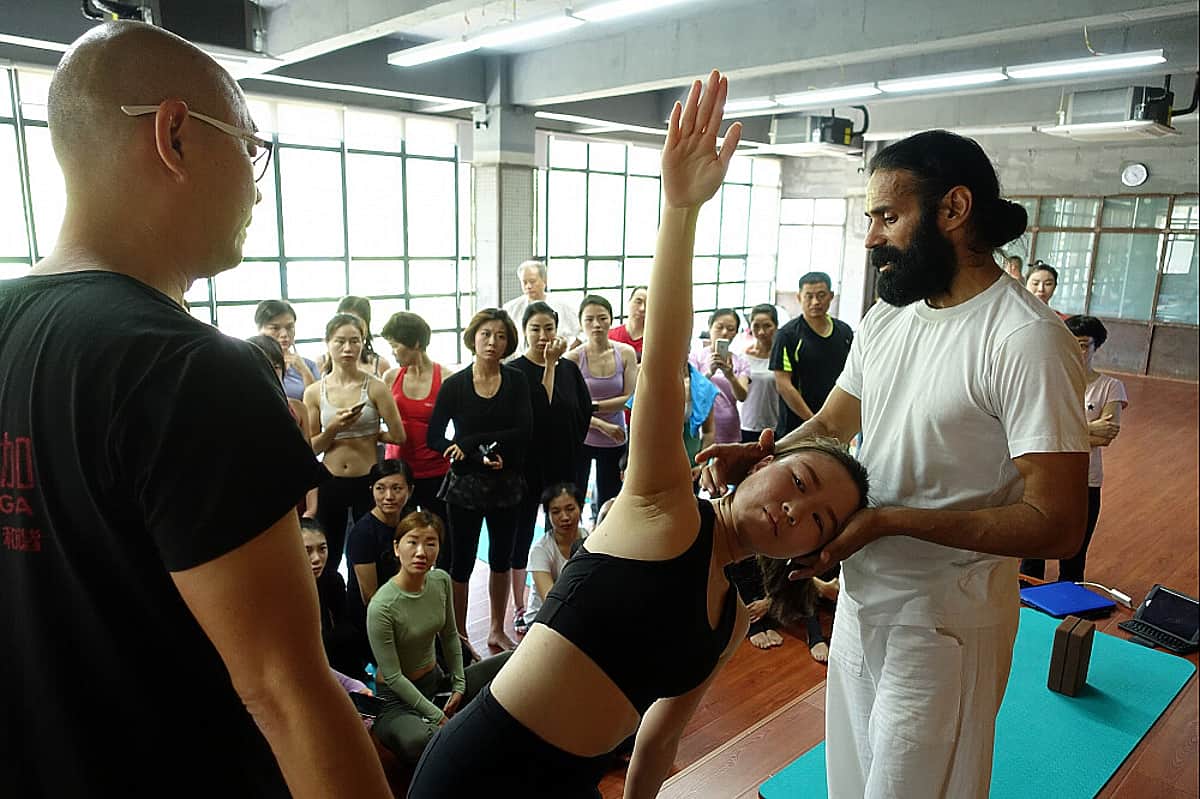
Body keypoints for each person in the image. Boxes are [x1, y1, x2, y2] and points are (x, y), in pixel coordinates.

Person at [408, 70, 869, 799]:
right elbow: (660, 371)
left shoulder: (729, 621)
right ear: (763, 463)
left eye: (819, 520)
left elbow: (658, 739)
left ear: (811, 550)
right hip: (482, 772)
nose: (795, 510)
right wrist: (680, 211)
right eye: (801, 482)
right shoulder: (662, 505)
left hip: (572, 783)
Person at [0, 21, 389, 798]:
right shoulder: (191, 369)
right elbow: (283, 693)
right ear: (174, 135)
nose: (257, 185)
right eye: (250, 148)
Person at [700, 129, 1090, 799]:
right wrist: (765, 455)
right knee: (850, 787)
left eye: (887, 216)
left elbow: (1058, 524)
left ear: (954, 208)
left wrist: (889, 521)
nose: (870, 238)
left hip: (946, 624)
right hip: (861, 600)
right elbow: (832, 424)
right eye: (869, 217)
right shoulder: (887, 318)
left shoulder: (1025, 339)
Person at [367, 511, 511, 764]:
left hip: (437, 684)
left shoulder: (440, 580)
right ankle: (457, 731)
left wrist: (458, 684)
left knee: (511, 661)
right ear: (397, 548)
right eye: (412, 542)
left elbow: (450, 636)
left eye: (430, 543)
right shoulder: (381, 606)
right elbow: (392, 676)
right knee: (419, 742)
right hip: (397, 703)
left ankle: (461, 729)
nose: (421, 552)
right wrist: (435, 714)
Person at [427, 308, 532, 652]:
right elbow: (434, 436)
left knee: (501, 558)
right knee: (462, 562)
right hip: (466, 484)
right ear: (473, 337)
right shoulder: (455, 385)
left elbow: (524, 430)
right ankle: (460, 636)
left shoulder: (516, 380)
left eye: (500, 336)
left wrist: (477, 443)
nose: (492, 342)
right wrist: (470, 454)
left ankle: (497, 629)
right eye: (486, 334)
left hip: (506, 480)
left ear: (508, 343)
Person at [1021, 315, 1127, 583]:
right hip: (1044, 476)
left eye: (1083, 345)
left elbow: (1106, 435)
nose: (1077, 351)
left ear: (1095, 346)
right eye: (1070, 343)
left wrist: (1057, 433)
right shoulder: (1047, 383)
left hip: (1086, 479)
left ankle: (1069, 604)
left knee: (1075, 554)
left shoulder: (1110, 387)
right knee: (1033, 550)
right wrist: (1088, 429)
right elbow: (1035, 430)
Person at [508, 302, 593, 632]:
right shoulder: (515, 372)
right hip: (527, 467)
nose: (543, 335)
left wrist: (573, 447)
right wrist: (550, 364)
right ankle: (520, 605)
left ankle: (566, 596)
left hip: (564, 462)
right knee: (521, 535)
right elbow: (540, 410)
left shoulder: (569, 368)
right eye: (535, 329)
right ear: (524, 332)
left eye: (549, 328)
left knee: (564, 527)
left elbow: (583, 410)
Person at [304, 313, 406, 578]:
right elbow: (312, 447)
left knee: (368, 553)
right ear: (328, 343)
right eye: (340, 342)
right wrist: (335, 428)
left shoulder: (375, 387)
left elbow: (398, 435)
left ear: (363, 343)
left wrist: (371, 433)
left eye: (354, 341)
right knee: (329, 553)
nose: (348, 348)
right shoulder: (315, 391)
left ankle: (366, 601)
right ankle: (331, 601)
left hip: (367, 479)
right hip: (331, 479)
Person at [380, 311, 451, 563]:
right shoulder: (391, 377)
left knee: (441, 539)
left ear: (416, 343)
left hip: (435, 470)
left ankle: (440, 584)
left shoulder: (446, 378)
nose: (392, 353)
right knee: (402, 540)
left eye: (396, 346)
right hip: (400, 471)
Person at [566, 295, 639, 512]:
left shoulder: (625, 353)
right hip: (582, 435)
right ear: (581, 323)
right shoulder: (572, 358)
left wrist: (591, 407)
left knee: (610, 501)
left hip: (615, 436)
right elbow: (571, 407)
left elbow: (629, 398)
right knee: (574, 498)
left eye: (602, 318)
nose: (596, 324)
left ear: (611, 320)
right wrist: (601, 424)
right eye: (589, 319)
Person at [770, 272, 854, 436]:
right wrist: (815, 423)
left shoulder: (844, 332)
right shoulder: (787, 335)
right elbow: (784, 385)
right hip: (797, 428)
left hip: (836, 425)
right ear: (799, 297)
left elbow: (851, 376)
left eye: (821, 295)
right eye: (809, 296)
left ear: (831, 296)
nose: (815, 302)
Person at [247, 333, 320, 515]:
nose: (269, 372)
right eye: (261, 365)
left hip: (295, 496)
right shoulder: (239, 412)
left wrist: (311, 508)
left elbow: (308, 461)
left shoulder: (298, 409)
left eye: (276, 366)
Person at [346, 459, 414, 637]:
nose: (388, 496)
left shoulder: (411, 522)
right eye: (380, 488)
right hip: (375, 618)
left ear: (410, 490)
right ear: (372, 490)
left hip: (406, 603)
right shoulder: (363, 534)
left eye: (397, 489)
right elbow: (371, 598)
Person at [304, 517, 369, 681]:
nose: (316, 558)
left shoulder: (333, 580)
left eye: (322, 549)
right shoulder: (284, 590)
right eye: (307, 551)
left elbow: (347, 629)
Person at [520, 483, 589, 633]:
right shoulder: (540, 550)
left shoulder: (589, 538)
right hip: (543, 619)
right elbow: (551, 601)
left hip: (578, 613)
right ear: (548, 515)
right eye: (556, 512)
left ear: (581, 508)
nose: (565, 517)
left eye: (570, 509)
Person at [689, 308, 750, 444]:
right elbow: (691, 390)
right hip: (702, 425)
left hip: (729, 427)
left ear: (736, 333)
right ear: (710, 327)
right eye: (719, 327)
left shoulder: (741, 362)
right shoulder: (696, 357)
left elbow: (742, 396)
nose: (724, 332)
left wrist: (730, 376)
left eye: (730, 329)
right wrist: (709, 373)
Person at [502, 260, 583, 353]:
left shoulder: (562, 306)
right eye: (524, 282)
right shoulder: (511, 308)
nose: (528, 286)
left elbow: (582, 332)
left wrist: (569, 351)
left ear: (544, 280)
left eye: (532, 281)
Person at [256, 298, 319, 402]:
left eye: (290, 327)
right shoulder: (250, 363)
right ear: (259, 329)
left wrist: (304, 371)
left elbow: (318, 403)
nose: (284, 334)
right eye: (275, 328)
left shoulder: (309, 366)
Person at [318, 295, 393, 377]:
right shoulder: (321, 363)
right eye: (344, 319)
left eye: (356, 321)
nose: (350, 325)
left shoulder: (380, 364)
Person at [739, 304, 782, 443]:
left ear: (776, 326)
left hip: (775, 425)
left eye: (767, 326)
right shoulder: (743, 356)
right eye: (756, 326)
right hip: (746, 423)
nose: (761, 332)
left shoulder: (781, 356)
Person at [608, 285, 647, 361]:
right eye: (638, 302)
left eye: (647, 304)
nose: (642, 308)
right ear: (629, 302)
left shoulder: (653, 341)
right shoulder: (610, 336)